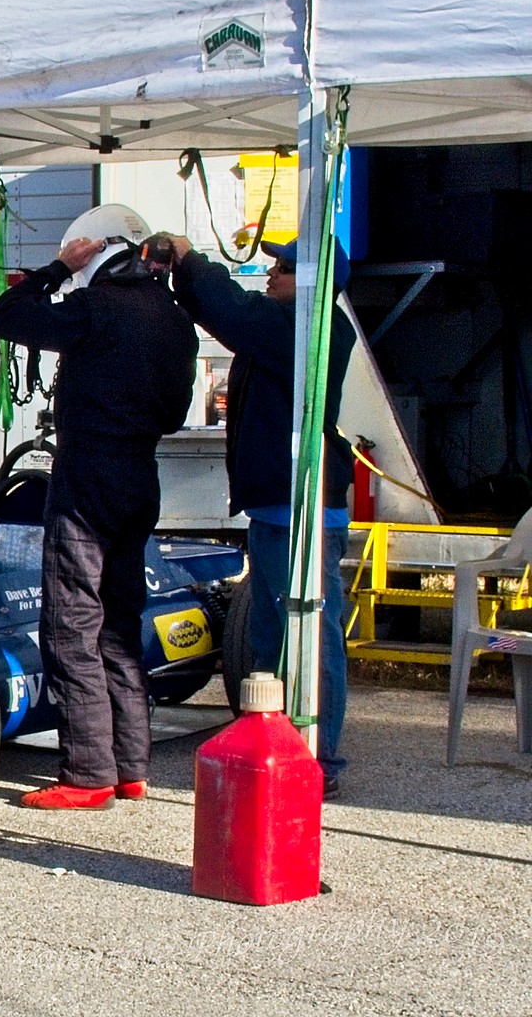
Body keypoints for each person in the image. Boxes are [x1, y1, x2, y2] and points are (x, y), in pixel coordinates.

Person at [0, 205, 197, 809]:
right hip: (141, 475)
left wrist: (56, 268)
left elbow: (8, 317)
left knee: (72, 621)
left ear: (96, 252)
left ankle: (88, 773)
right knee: (120, 624)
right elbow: (175, 412)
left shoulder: (96, 306)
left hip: (88, 476)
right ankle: (131, 765)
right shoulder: (175, 318)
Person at [172, 234, 355, 798]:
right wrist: (184, 281)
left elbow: (237, 313)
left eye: (283, 267)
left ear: (313, 281)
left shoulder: (310, 330)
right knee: (271, 633)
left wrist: (192, 259)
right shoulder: (283, 329)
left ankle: (317, 757)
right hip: (280, 507)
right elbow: (228, 318)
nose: (270, 273)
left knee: (310, 632)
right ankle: (274, 738)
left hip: (302, 509)